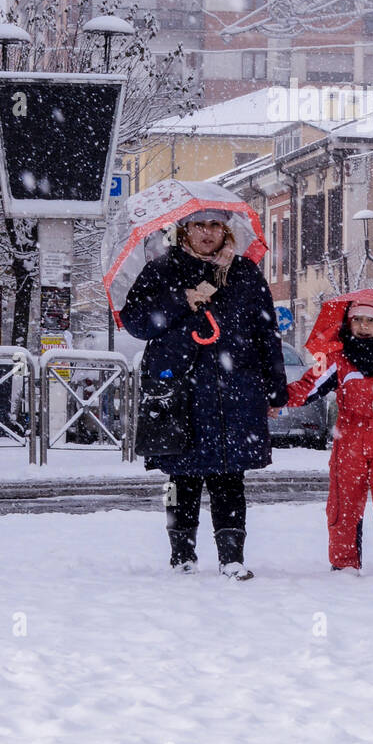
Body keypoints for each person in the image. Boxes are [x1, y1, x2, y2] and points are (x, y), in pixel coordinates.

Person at [120, 209, 287, 580]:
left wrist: (275, 390)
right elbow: (135, 321)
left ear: (225, 230)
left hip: (234, 392)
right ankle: (182, 552)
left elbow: (266, 334)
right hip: (181, 392)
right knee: (180, 481)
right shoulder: (162, 270)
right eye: (199, 225)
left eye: (215, 225)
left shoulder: (244, 273)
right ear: (185, 231)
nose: (208, 233)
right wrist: (183, 299)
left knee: (230, 478)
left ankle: (232, 557)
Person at [284, 300, 373, 576]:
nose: (363, 326)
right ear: (349, 324)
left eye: (370, 320)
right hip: (348, 444)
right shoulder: (336, 361)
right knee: (343, 504)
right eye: (357, 320)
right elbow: (308, 387)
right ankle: (345, 561)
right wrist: (276, 396)